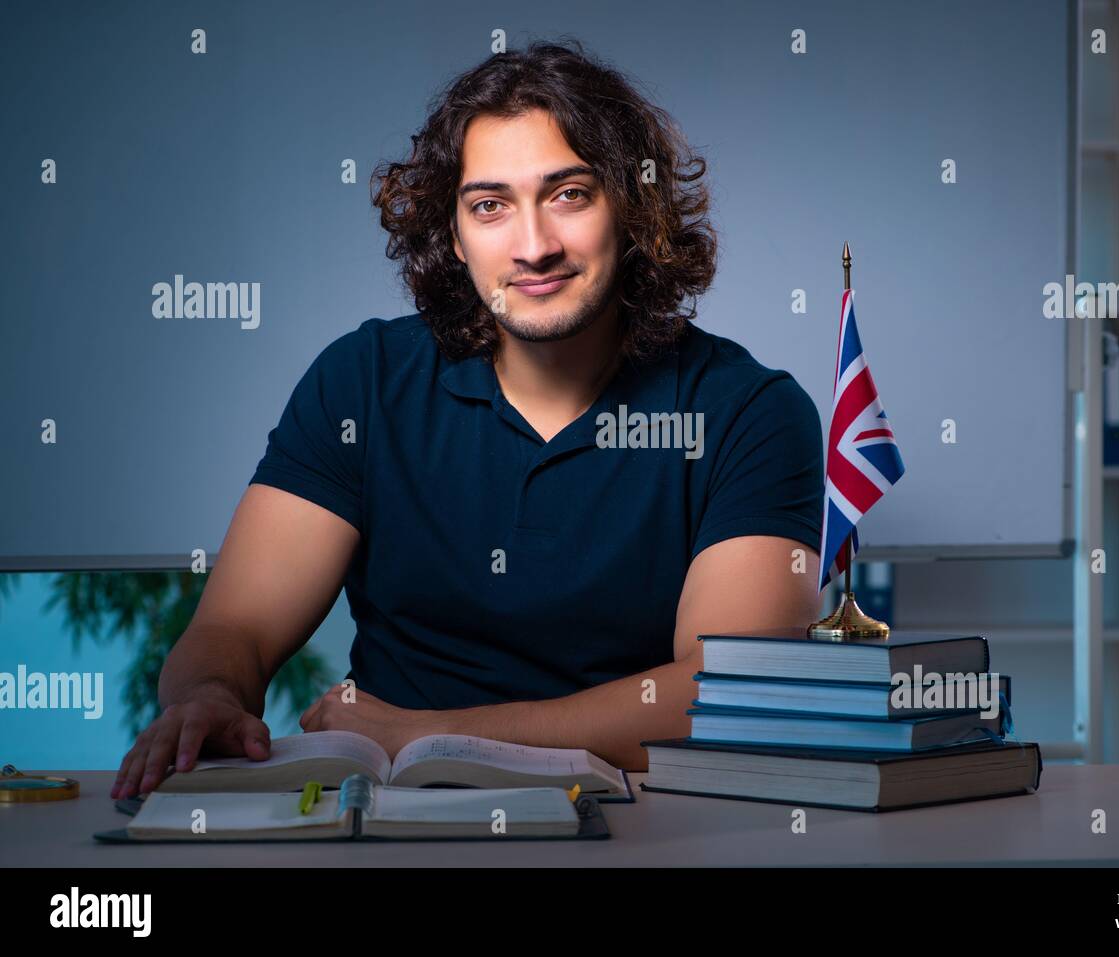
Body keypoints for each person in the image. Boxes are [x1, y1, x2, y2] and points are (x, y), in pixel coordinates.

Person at [112, 39, 824, 798]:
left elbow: (725, 696)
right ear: (453, 236)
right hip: (389, 820)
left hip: (636, 826)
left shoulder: (750, 411)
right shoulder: (364, 381)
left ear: (631, 206)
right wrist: (208, 697)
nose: (534, 246)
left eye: (569, 194)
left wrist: (430, 734)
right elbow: (235, 629)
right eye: (490, 206)